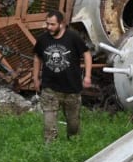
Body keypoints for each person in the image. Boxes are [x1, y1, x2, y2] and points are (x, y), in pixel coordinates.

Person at [32, 10, 92, 142]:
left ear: (62, 24)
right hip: (50, 88)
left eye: (52, 24)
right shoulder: (43, 39)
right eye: (47, 24)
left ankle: (73, 143)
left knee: (73, 125)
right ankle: (50, 151)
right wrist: (35, 78)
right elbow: (37, 57)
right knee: (49, 125)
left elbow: (87, 54)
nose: (49, 27)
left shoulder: (73, 37)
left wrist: (87, 76)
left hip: (72, 89)